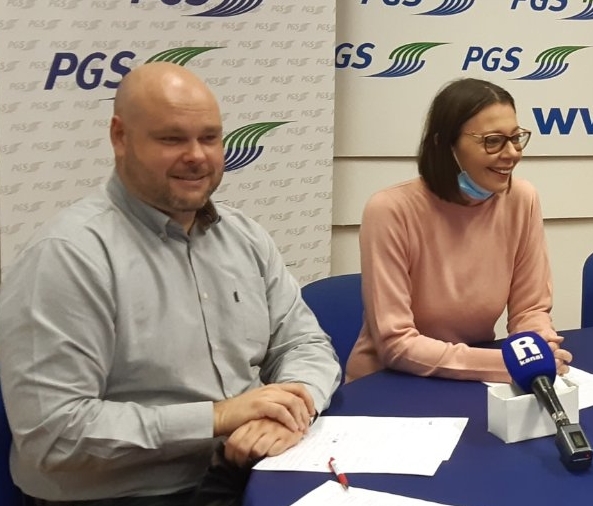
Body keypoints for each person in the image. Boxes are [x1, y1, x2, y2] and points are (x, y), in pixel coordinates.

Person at [0, 62, 341, 504]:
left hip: (248, 470)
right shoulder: (67, 256)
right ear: (120, 137)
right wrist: (218, 418)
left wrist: (291, 406)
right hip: (128, 494)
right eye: (171, 139)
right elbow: (53, 435)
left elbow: (304, 344)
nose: (197, 156)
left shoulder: (244, 236)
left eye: (210, 137)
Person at [345, 78, 571, 383]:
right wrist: (504, 365)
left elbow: (529, 309)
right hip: (390, 382)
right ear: (445, 145)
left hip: (475, 375)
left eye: (516, 138)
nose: (512, 153)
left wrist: (539, 346)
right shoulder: (390, 210)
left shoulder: (521, 199)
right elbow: (395, 343)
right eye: (493, 141)